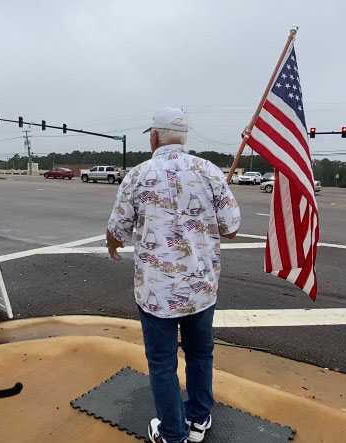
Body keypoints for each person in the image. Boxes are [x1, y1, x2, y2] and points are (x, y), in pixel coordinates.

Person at [106, 107, 241, 443]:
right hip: (200, 289)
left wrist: (113, 244)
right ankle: (198, 419)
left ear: (154, 137)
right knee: (200, 354)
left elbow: (117, 229)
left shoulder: (138, 175)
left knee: (163, 363)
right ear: (183, 137)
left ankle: (172, 434)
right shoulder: (209, 171)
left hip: (157, 294)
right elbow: (232, 229)